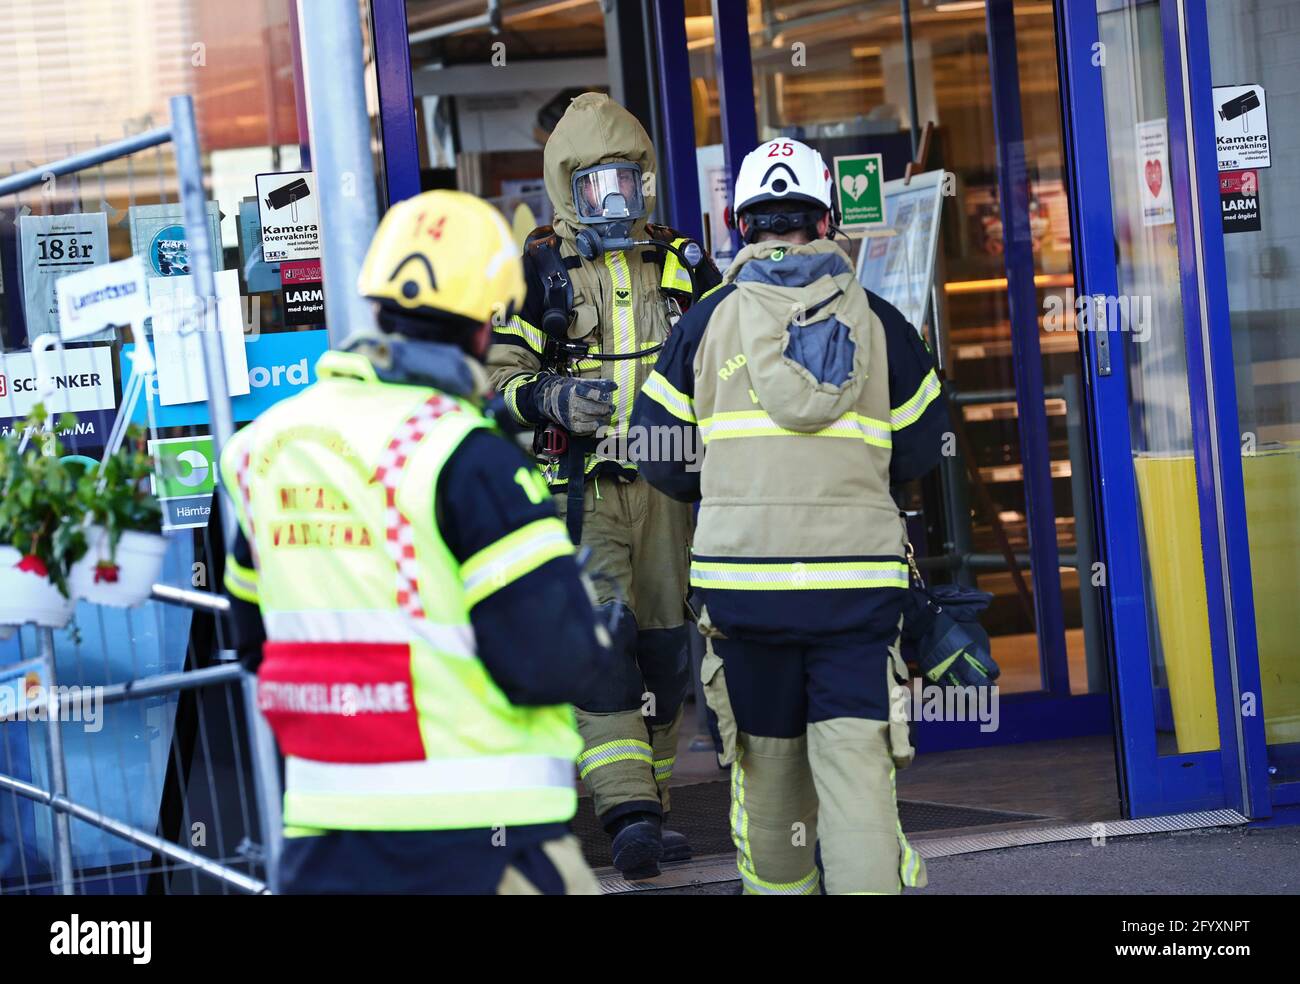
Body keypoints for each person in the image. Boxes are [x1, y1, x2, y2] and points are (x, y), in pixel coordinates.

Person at [219, 189, 610, 895]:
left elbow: (253, 642)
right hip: (485, 847)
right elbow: (549, 665)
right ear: (485, 329)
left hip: (325, 846)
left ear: (377, 306)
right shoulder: (468, 457)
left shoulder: (268, 449)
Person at [631, 138, 949, 895]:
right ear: (827, 219)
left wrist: (731, 487)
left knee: (768, 777)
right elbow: (926, 447)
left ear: (742, 225)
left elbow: (654, 454)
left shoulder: (705, 325)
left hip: (745, 595)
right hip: (857, 594)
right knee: (857, 776)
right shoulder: (880, 321)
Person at [485, 92, 722, 879]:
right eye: (595, 186)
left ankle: (646, 813)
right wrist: (551, 398)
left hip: (668, 489)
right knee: (604, 647)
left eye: (626, 182)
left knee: (663, 655)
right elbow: (498, 380)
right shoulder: (539, 269)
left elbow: (728, 356)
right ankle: (624, 814)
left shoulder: (684, 263)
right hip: (583, 489)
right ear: (566, 187)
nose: (613, 200)